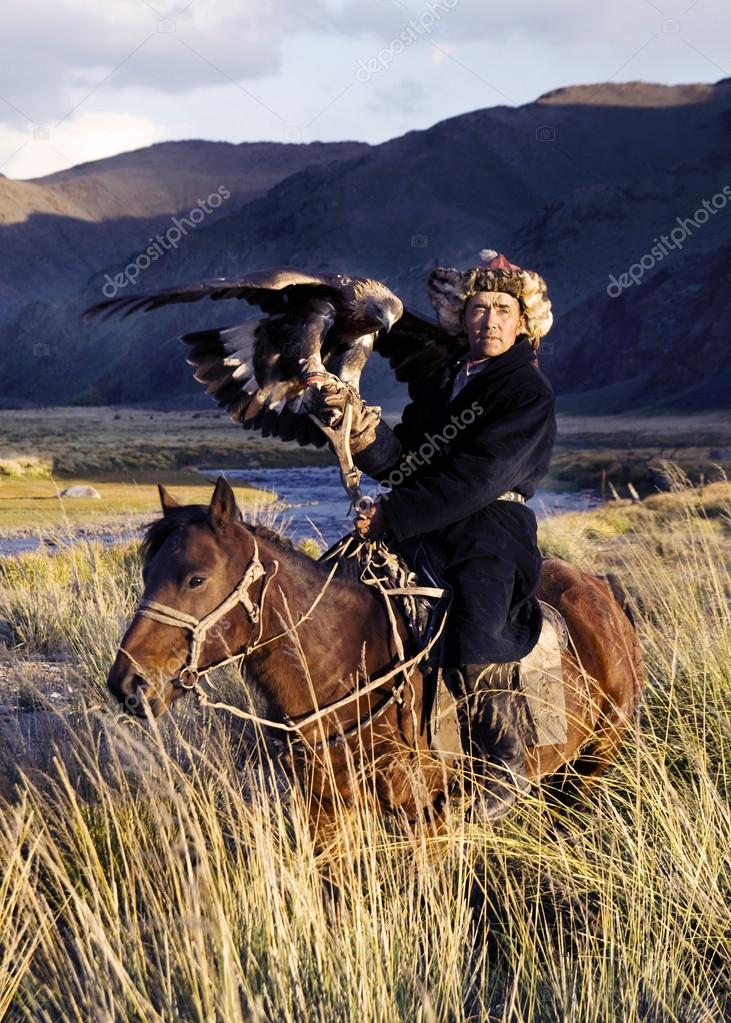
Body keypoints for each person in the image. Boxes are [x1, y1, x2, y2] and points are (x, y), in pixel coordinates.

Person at [322, 250, 556, 819]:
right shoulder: (448, 380)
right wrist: (363, 436)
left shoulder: (526, 390)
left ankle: (503, 757)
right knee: (337, 586)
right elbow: (411, 463)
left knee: (479, 623)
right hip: (428, 517)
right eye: (479, 309)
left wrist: (393, 517)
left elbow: (478, 479)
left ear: (522, 321)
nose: (490, 321)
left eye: (503, 309)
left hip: (491, 528)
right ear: (464, 317)